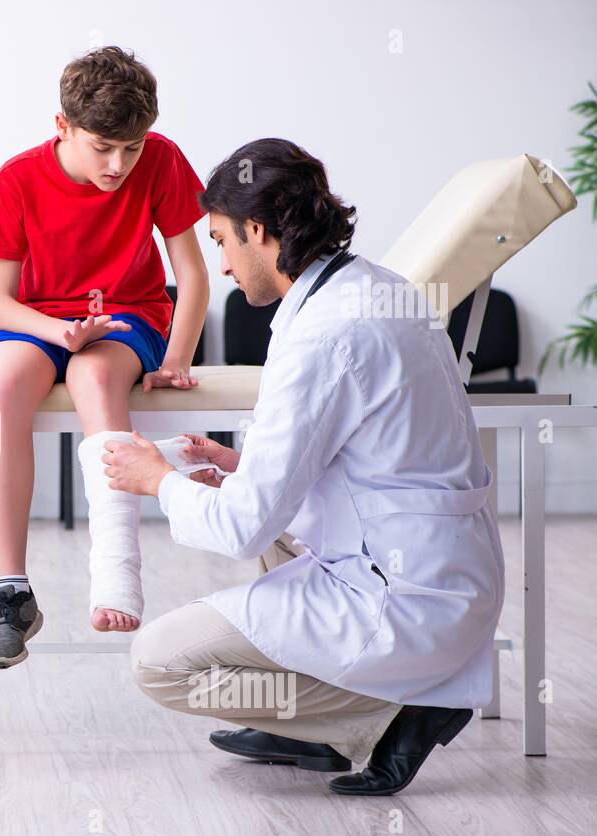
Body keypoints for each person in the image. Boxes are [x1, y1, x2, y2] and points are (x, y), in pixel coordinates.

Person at [103, 138, 505, 795]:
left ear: (257, 232)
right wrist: (241, 464)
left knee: (157, 664)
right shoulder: (373, 286)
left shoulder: (327, 335)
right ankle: (309, 728)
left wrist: (158, 481)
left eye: (222, 242)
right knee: (260, 514)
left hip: (405, 597)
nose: (224, 266)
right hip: (443, 567)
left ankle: (388, 711)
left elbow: (243, 532)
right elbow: (367, 450)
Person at [0, 46, 210, 668]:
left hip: (129, 315)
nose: (119, 164)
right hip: (36, 317)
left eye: (132, 147)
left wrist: (175, 357)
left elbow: (192, 273)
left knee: (96, 373)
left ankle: (115, 570)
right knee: (3, 378)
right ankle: (9, 594)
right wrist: (56, 328)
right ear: (62, 126)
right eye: (103, 147)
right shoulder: (15, 180)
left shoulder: (161, 160)